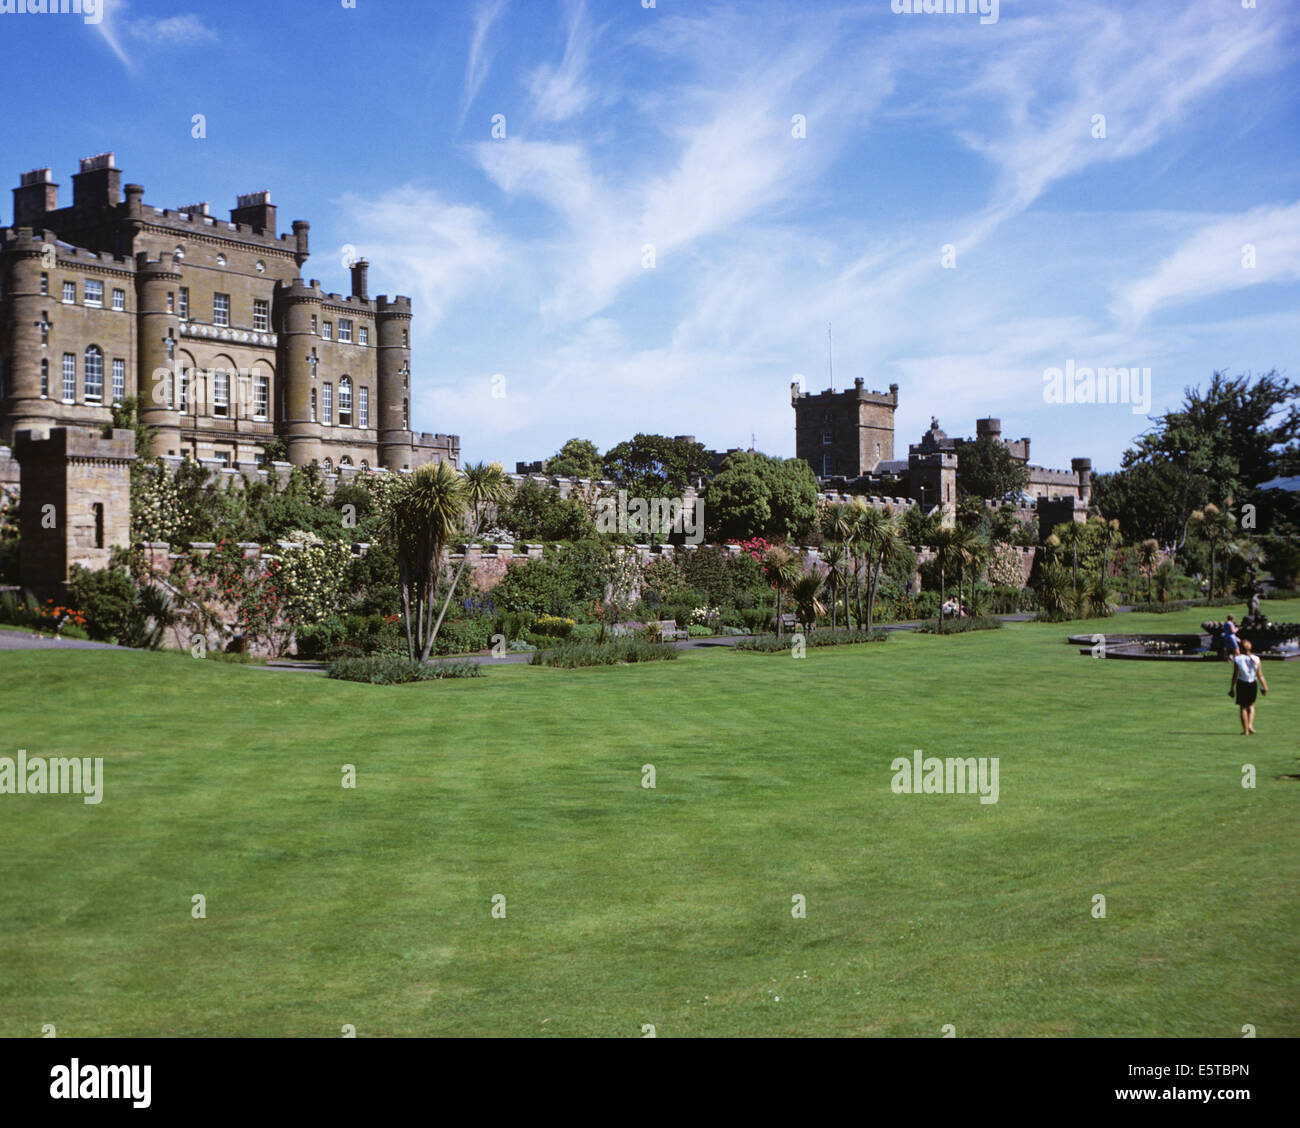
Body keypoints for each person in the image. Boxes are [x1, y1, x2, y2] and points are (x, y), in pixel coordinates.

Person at [1228, 639, 1268, 735]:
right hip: (1252, 683)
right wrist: (1264, 687)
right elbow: (1260, 675)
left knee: (1243, 707)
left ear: (1240, 648)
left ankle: (1245, 730)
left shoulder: (1238, 659)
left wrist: (1231, 689)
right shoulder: (1256, 659)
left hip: (1242, 683)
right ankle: (1250, 725)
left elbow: (1235, 675)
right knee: (1251, 705)